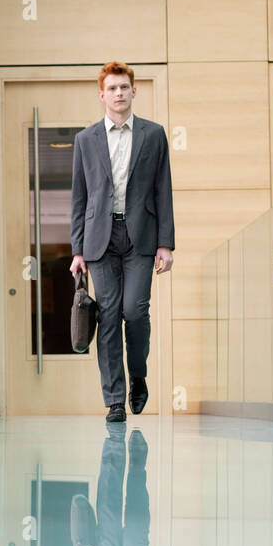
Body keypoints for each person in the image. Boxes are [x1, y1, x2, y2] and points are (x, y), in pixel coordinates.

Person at [69, 62, 175, 423]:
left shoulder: (153, 134)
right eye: (112, 88)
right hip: (100, 239)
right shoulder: (86, 140)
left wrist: (166, 243)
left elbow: (164, 190)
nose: (118, 94)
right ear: (102, 95)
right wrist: (77, 250)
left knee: (135, 312)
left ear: (134, 92)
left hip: (140, 238)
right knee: (110, 317)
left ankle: (138, 375)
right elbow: (79, 198)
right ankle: (114, 400)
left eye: (124, 88)